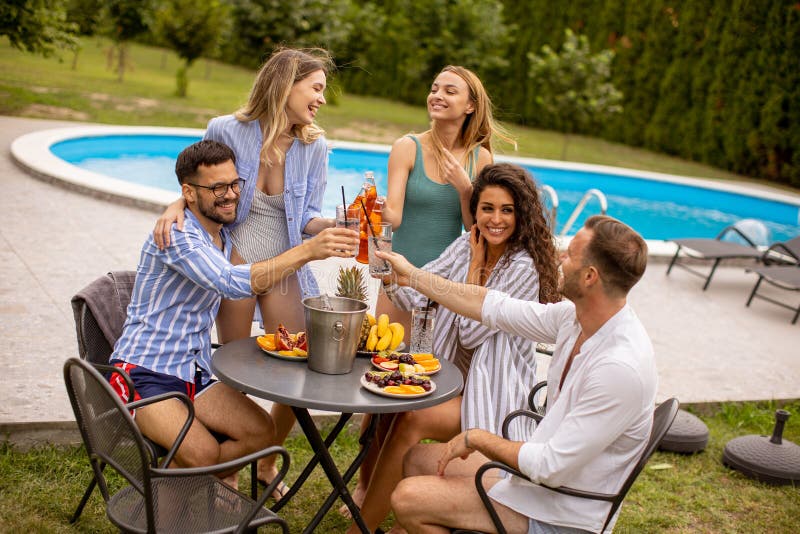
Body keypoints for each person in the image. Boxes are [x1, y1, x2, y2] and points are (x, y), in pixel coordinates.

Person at [380, 215, 656, 534]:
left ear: (590, 276)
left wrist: (478, 437)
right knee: (417, 460)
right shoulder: (576, 319)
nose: (559, 257)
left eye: (570, 254)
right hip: (532, 485)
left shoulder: (620, 368)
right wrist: (413, 276)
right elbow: (493, 307)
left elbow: (549, 467)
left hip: (561, 514)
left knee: (408, 499)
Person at [109, 140, 358, 487]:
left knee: (262, 432)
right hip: (145, 370)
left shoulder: (223, 234)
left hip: (193, 370)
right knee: (202, 454)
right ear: (190, 193)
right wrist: (308, 251)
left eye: (233, 184)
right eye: (217, 188)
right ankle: (176, 497)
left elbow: (271, 221)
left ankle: (184, 487)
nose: (229, 195)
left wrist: (180, 200)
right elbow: (230, 282)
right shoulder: (178, 236)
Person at [152, 47, 335, 490]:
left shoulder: (315, 145)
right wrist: (177, 203)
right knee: (232, 369)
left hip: (286, 259)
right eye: (316, 88)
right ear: (286, 84)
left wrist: (333, 224)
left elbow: (308, 214)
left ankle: (266, 461)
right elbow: (200, 178)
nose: (321, 100)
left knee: (297, 367)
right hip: (235, 255)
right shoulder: (227, 129)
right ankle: (231, 470)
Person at [346, 164, 560, 533]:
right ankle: (373, 498)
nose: (495, 219)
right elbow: (416, 291)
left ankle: (361, 530)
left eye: (506, 209)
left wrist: (476, 269)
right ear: (474, 211)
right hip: (449, 378)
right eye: (487, 208)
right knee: (390, 406)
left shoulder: (523, 267)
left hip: (493, 394)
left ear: (521, 214)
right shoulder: (465, 243)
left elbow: (472, 333)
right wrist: (387, 268)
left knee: (413, 417)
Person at [376, 65, 515, 333]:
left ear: (470, 106)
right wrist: (375, 208)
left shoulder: (480, 158)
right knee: (383, 359)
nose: (437, 95)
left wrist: (466, 190)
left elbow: (474, 229)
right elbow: (393, 219)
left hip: (447, 282)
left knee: (432, 367)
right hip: (399, 275)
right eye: (434, 89)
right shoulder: (407, 147)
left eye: (450, 91)